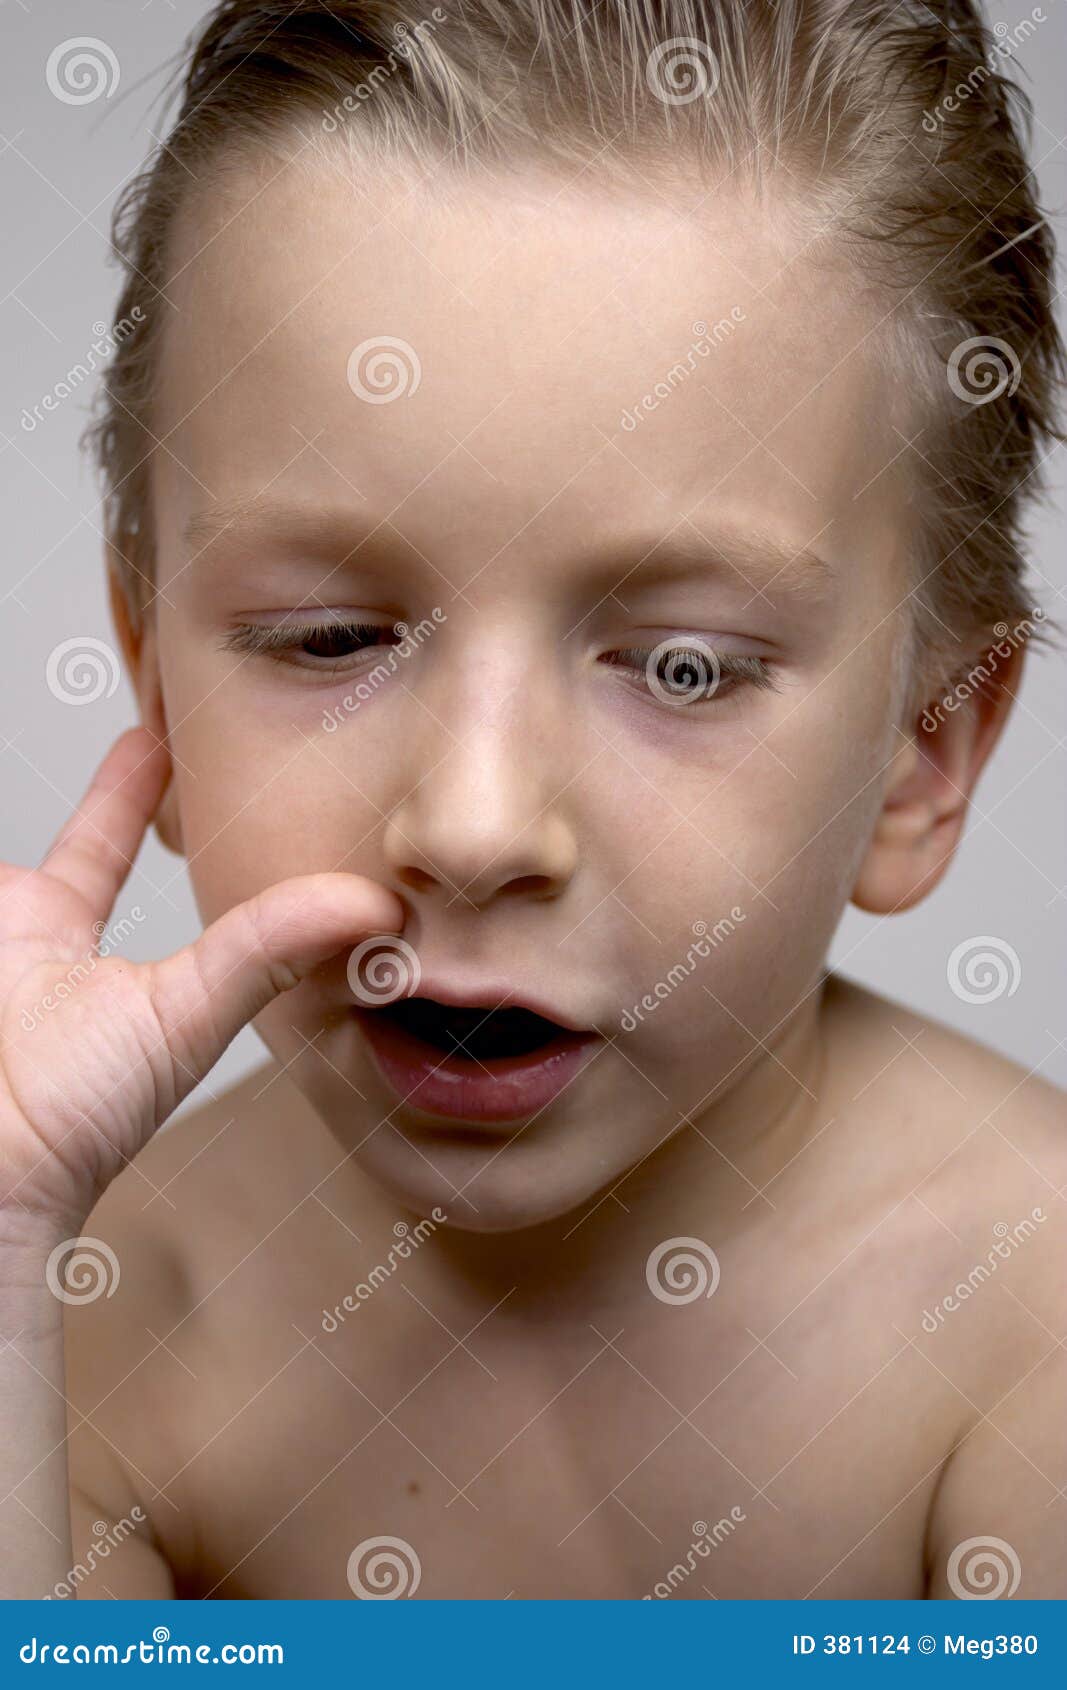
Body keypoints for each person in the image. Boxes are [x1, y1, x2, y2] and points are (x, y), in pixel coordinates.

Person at [2, 0, 1064, 1600]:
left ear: (928, 748)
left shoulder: (1032, 1317)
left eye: (685, 667)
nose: (476, 823)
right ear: (154, 683)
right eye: (332, 639)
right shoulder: (84, 1316)